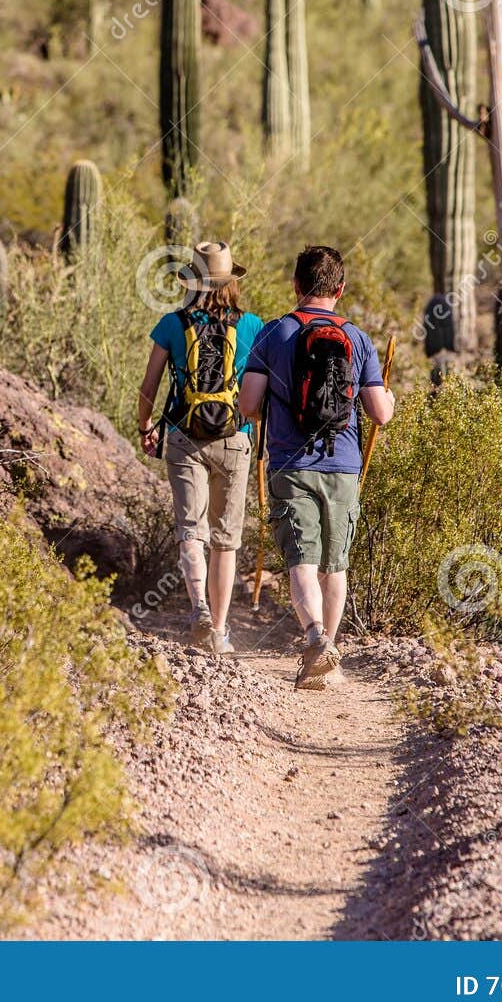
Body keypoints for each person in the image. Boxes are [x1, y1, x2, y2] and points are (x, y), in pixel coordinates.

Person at [239, 245, 394, 689]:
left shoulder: (273, 333)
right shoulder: (359, 339)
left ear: (296, 285)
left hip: (289, 462)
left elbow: (249, 406)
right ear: (340, 289)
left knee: (301, 562)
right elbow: (380, 413)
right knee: (335, 565)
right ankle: (328, 656)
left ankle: (314, 639)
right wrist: (391, 401)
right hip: (344, 465)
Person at [136, 242, 265, 655]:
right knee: (226, 539)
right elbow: (261, 387)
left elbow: (149, 385)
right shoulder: (252, 326)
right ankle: (221, 632)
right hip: (235, 437)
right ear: (231, 283)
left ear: (191, 283)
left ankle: (199, 610)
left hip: (183, 436)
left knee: (191, 529)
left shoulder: (172, 325)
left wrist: (144, 425)